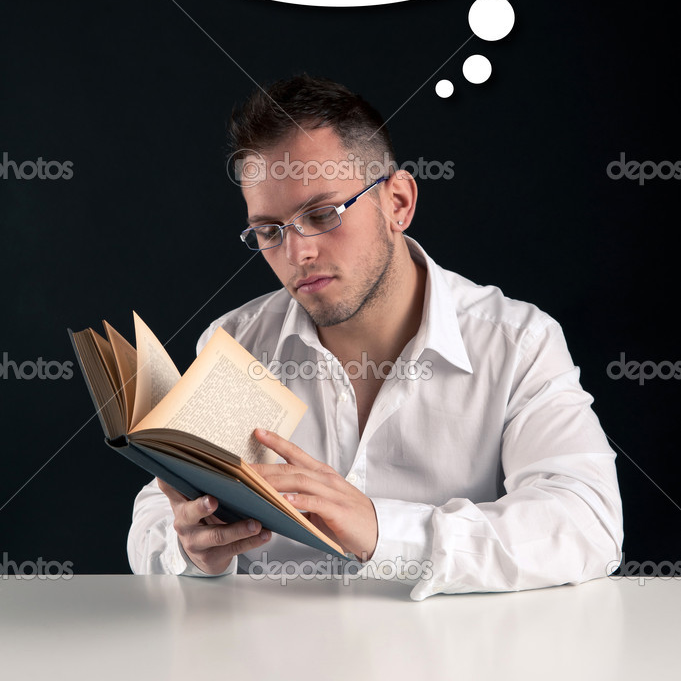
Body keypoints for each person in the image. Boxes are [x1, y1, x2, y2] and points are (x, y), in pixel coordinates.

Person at [127, 74, 623, 599]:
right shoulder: (237, 346)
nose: (298, 254)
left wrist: (384, 531)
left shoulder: (518, 344)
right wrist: (189, 546)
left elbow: (587, 520)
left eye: (322, 214)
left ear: (398, 203)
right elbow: (156, 516)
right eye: (270, 231)